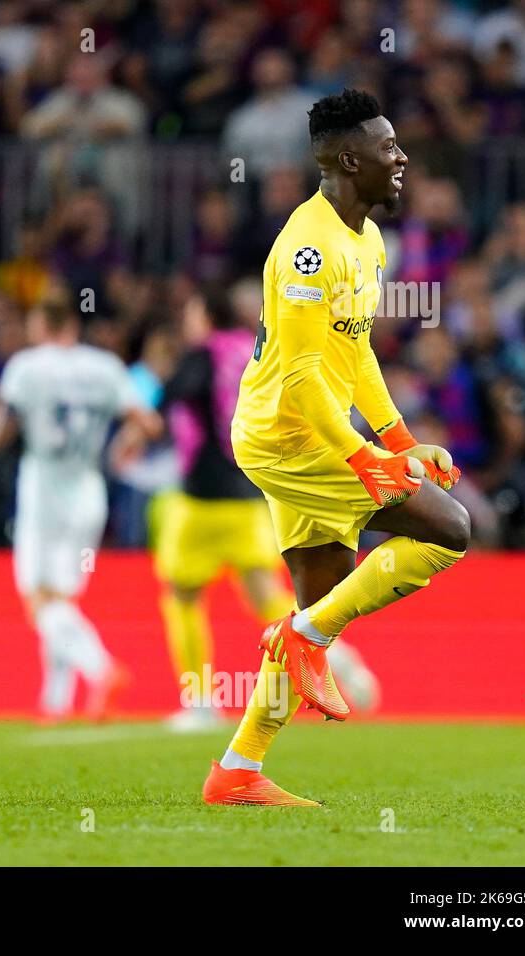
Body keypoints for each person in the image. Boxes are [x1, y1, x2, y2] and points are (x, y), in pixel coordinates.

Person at [203, 89, 468, 807]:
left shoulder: (367, 240)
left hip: (308, 433)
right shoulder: (308, 248)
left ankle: (238, 770)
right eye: (388, 148)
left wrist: (402, 441)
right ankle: (307, 635)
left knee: (322, 599)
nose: (402, 156)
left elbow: (353, 357)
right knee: (450, 529)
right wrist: (363, 458)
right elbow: (301, 373)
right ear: (350, 158)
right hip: (284, 439)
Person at [153, 289, 380, 733]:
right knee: (265, 595)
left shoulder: (202, 355)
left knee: (182, 593)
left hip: (202, 498)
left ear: (206, 313)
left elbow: (170, 397)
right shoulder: (257, 347)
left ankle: (200, 702)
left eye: (191, 310)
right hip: (251, 492)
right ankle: (338, 654)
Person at [0, 295, 159, 721]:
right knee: (61, 599)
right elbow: (149, 423)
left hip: (44, 489)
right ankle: (56, 699)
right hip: (88, 490)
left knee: (38, 599)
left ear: (42, 326)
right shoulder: (105, 367)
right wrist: (125, 446)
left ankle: (101, 671)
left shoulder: (27, 366)